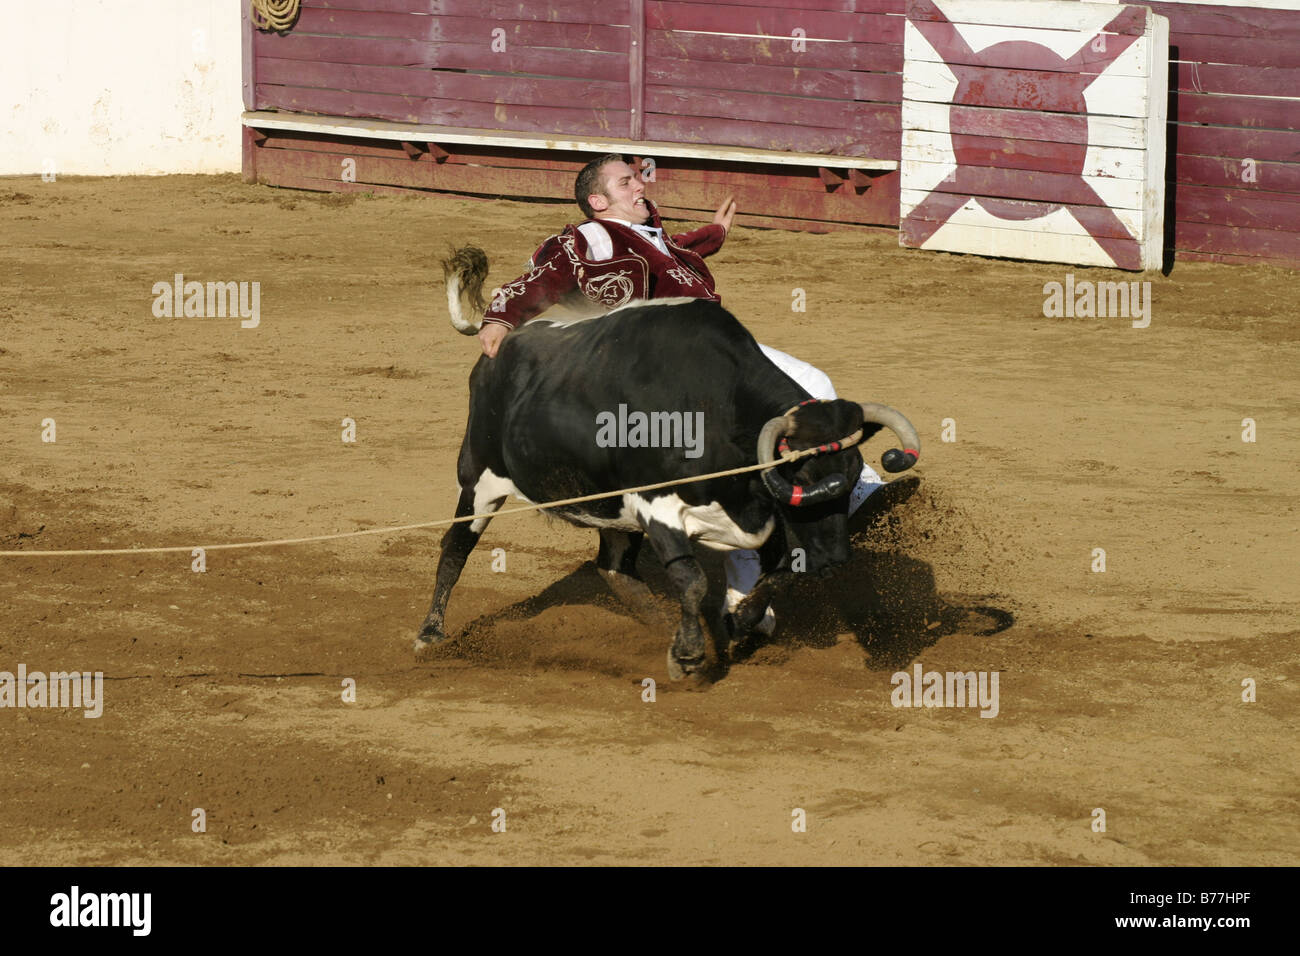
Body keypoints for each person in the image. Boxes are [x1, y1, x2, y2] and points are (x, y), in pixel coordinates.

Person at [477, 153, 885, 633]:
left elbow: (675, 250)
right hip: (666, 362)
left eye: (638, 178)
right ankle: (852, 494)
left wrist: (715, 234)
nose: (640, 187)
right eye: (626, 182)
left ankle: (766, 566)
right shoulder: (593, 235)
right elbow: (548, 273)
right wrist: (502, 314)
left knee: (768, 426)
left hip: (709, 352)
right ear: (597, 201)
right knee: (805, 391)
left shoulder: (644, 235)